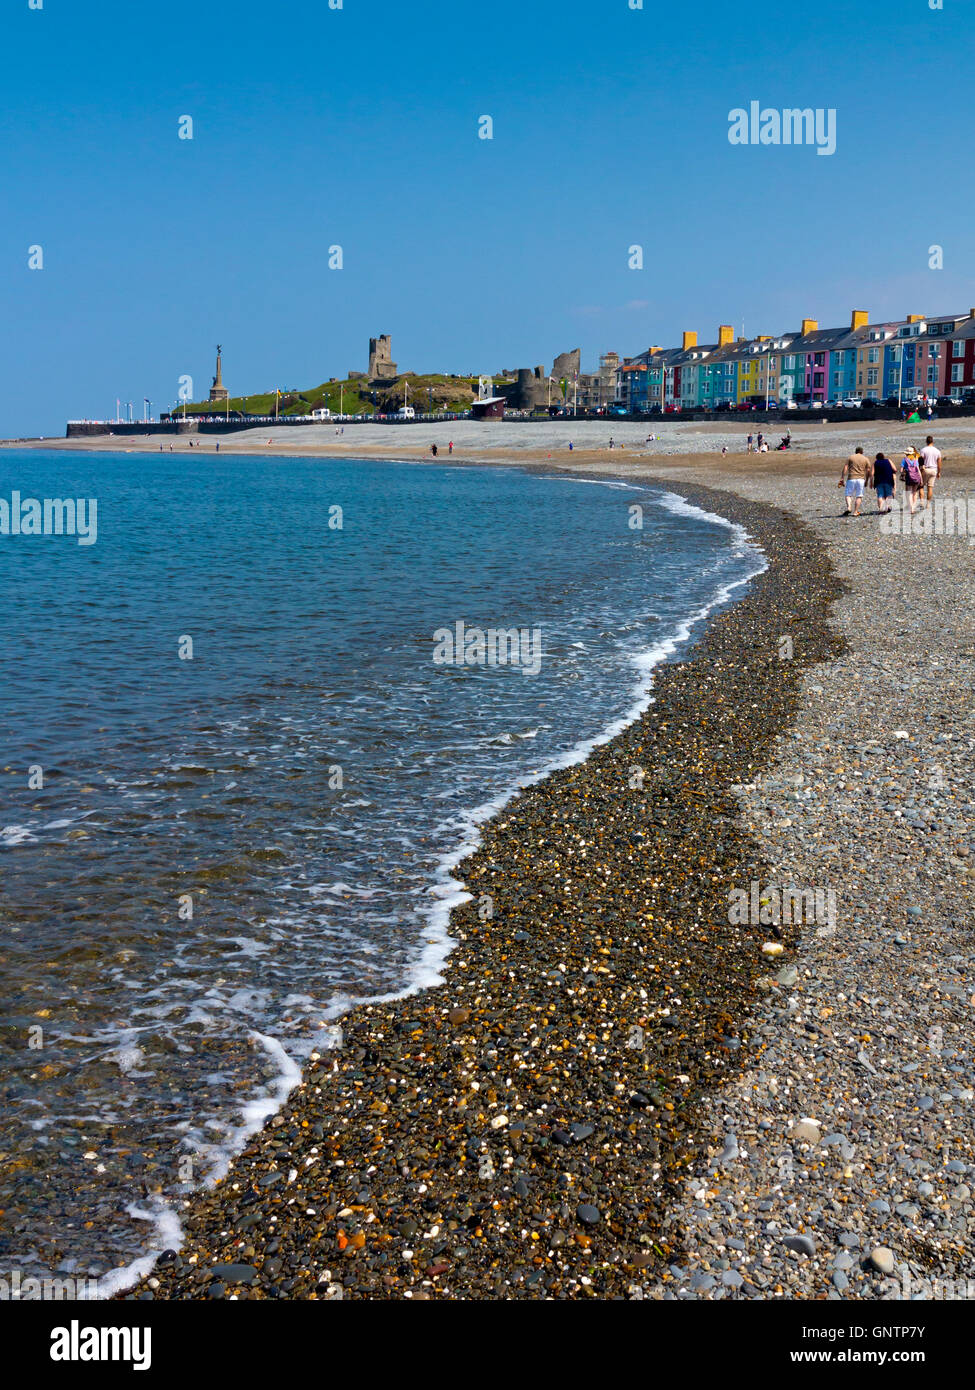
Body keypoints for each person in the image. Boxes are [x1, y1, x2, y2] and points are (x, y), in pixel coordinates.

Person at [839, 445, 872, 516]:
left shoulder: (850, 457)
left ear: (856, 451)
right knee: (859, 496)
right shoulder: (865, 459)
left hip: (851, 478)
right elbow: (868, 470)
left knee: (848, 494)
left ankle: (849, 507)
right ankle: (855, 511)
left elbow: (845, 467)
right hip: (861, 479)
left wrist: (842, 478)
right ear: (862, 452)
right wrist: (867, 480)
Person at [918, 435, 941, 508]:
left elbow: (921, 461)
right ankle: (928, 504)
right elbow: (939, 463)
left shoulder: (923, 450)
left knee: (921, 486)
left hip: (925, 469)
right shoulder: (937, 451)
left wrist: (920, 469)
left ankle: (921, 502)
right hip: (934, 470)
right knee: (930, 487)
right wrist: (939, 472)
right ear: (932, 442)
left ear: (926, 441)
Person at [900, 447, 923, 515]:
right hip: (917, 478)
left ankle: (911, 508)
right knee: (914, 492)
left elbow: (901, 470)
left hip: (909, 477)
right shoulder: (915, 460)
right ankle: (913, 507)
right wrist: (921, 479)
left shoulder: (904, 460)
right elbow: (918, 470)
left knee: (909, 493)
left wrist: (903, 471)